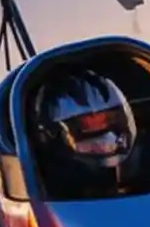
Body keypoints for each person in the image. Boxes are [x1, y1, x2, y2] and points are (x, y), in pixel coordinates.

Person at [31, 68, 141, 200]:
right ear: (54, 135)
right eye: (86, 126)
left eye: (108, 119)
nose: (106, 140)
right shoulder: (50, 198)